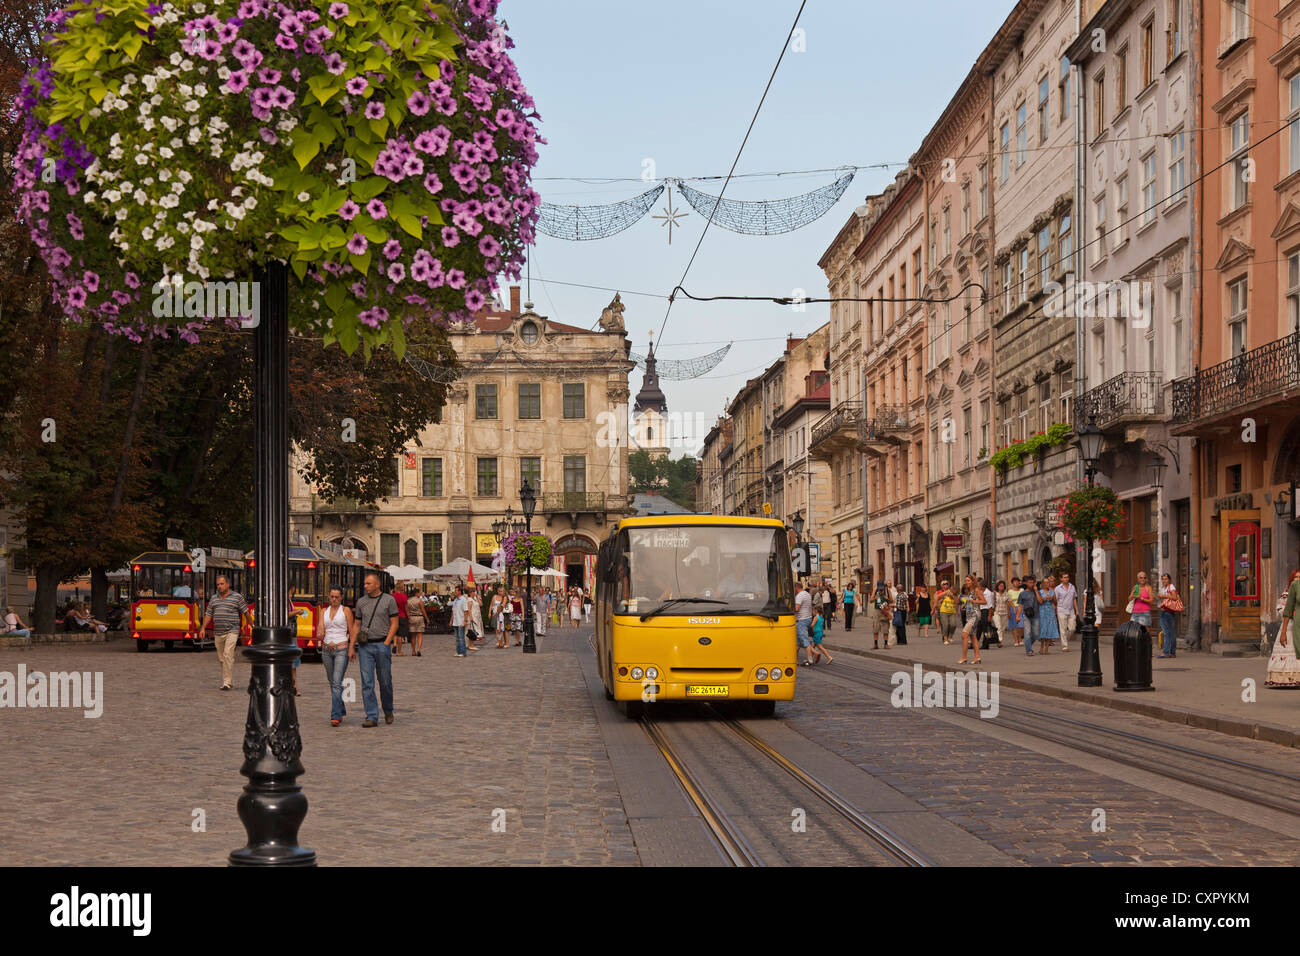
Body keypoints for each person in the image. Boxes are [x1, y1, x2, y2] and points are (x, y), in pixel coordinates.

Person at [350, 571, 398, 727]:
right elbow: (357, 625)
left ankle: (388, 710)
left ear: (377, 584)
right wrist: (352, 646)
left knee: (385, 681)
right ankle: (371, 715)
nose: (365, 586)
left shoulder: (389, 600)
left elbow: (394, 623)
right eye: (364, 583)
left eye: (368, 583)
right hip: (365, 646)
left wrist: (387, 643)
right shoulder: (361, 602)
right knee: (367, 682)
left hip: (381, 644)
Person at [201, 574, 250, 691]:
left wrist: (252, 625)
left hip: (232, 630)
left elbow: (246, 612)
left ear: (228, 584)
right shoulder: (214, 598)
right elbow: (208, 614)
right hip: (218, 632)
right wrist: (203, 628)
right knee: (222, 658)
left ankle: (226, 682)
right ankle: (228, 680)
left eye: (222, 584)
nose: (220, 586)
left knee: (228, 654)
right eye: (218, 584)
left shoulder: (237, 597)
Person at [316, 586, 353, 726]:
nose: (334, 599)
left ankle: (335, 715)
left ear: (342, 597)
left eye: (337, 596)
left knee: (337, 682)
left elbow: (351, 628)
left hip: (341, 648)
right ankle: (341, 708)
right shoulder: (324, 611)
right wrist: (320, 632)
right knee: (332, 682)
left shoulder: (346, 611)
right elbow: (321, 626)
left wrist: (352, 647)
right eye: (332, 596)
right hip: (326, 650)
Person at [1270, 569, 1300, 688]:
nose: (1298, 579)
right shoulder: (1288, 592)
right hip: (1290, 626)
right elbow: (1283, 610)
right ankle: (1285, 678)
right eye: (1296, 577)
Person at [958, 576, 983, 664]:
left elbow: (984, 601)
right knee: (973, 636)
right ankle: (977, 657)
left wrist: (974, 601)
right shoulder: (969, 591)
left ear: (973, 581)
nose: (966, 582)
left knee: (964, 634)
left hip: (975, 615)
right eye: (965, 581)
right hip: (969, 615)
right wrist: (965, 605)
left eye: (968, 580)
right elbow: (970, 601)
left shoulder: (976, 590)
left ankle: (964, 657)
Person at [1054, 571, 1079, 652]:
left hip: (1071, 610)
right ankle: (1065, 646)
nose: (1066, 579)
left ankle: (1064, 639)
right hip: (1061, 610)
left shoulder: (1072, 587)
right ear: (1061, 579)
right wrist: (1056, 608)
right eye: (1064, 577)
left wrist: (1077, 610)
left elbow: (1074, 598)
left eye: (1067, 577)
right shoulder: (1058, 588)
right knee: (1063, 628)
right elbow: (1055, 600)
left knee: (1072, 628)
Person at [1158, 573, 1181, 659]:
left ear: (1169, 580)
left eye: (1166, 579)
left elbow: (1174, 597)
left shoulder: (1171, 587)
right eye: (1163, 579)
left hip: (1167, 612)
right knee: (1171, 632)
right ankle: (1172, 652)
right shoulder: (1163, 588)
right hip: (1166, 611)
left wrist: (1163, 596)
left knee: (1166, 632)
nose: (1164, 581)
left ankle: (1166, 652)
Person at [1036, 574, 1060, 653]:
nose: (1047, 584)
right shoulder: (1040, 592)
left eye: (1048, 582)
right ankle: (1041, 646)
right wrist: (1044, 598)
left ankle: (1047, 648)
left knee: (1050, 628)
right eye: (1045, 582)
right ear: (1042, 584)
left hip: (1050, 611)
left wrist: (1052, 598)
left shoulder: (1052, 592)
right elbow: (1039, 602)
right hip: (1042, 610)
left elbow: (1056, 602)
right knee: (1043, 628)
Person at [1017, 574, 1039, 655]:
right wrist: (1018, 616)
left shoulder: (1036, 592)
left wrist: (1036, 591)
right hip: (1026, 615)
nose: (1031, 584)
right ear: (1026, 583)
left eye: (1032, 582)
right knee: (1027, 632)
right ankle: (1029, 650)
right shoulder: (1022, 593)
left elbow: (1040, 601)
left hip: (1036, 615)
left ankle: (1028, 644)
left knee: (1036, 634)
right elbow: (1020, 606)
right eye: (1029, 582)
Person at [795, 581, 814, 665]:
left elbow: (796, 609)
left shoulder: (799, 596)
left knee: (804, 640)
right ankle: (793, 659)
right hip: (808, 618)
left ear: (796, 587)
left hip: (801, 619)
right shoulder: (807, 594)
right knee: (798, 642)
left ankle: (810, 660)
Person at [936, 579, 959, 645]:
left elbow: (957, 602)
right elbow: (937, 596)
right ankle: (945, 639)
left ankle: (950, 636)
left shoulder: (955, 594)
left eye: (947, 584)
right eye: (944, 584)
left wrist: (953, 596)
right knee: (945, 625)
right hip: (943, 611)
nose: (946, 585)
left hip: (952, 611)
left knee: (953, 625)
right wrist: (936, 605)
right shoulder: (946, 592)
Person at [450, 585, 468, 658]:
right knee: (457, 638)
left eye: (456, 590)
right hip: (455, 621)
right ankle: (458, 651)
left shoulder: (463, 600)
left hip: (461, 621)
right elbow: (453, 611)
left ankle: (463, 652)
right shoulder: (455, 600)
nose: (454, 592)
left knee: (461, 638)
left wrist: (465, 621)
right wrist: (451, 620)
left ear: (459, 591)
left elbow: (466, 611)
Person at [872, 581, 891, 649]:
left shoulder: (887, 591)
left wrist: (887, 599)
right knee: (876, 628)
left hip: (885, 610)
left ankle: (886, 644)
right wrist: (875, 598)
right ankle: (875, 644)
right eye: (879, 588)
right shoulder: (875, 590)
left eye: (881, 588)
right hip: (877, 611)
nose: (880, 590)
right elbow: (870, 600)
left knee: (885, 628)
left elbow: (891, 600)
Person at [406, 588, 425, 656]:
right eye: (419, 593)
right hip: (419, 617)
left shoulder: (408, 601)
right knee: (420, 635)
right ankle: (418, 649)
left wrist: (409, 618)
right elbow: (423, 610)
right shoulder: (419, 601)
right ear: (416, 593)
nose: (420, 594)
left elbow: (407, 610)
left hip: (412, 617)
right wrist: (427, 618)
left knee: (413, 636)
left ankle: (413, 651)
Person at [392, 585, 409, 656]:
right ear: (402, 588)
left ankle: (394, 644)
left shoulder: (393, 596)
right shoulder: (404, 596)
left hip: (393, 616)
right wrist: (408, 616)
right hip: (401, 616)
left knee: (394, 631)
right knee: (400, 634)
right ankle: (399, 652)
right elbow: (406, 608)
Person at [1007, 577, 1024, 645]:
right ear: (1012, 583)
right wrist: (1013, 608)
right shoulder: (1010, 591)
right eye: (1015, 581)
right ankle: (1016, 640)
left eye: (1017, 581)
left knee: (1021, 625)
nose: (1016, 583)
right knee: (1013, 624)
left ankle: (1020, 638)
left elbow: (1023, 599)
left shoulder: (1022, 590)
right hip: (1013, 608)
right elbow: (1009, 601)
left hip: (1021, 607)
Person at [993, 581, 1010, 647]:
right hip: (996, 612)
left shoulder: (1006, 594)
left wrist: (1009, 612)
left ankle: (1000, 639)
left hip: (1004, 612)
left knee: (1003, 628)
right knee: (998, 627)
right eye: (1000, 586)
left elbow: (1008, 603)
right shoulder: (994, 594)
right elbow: (992, 603)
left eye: (1002, 586)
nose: (1001, 587)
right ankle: (999, 640)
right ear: (997, 586)